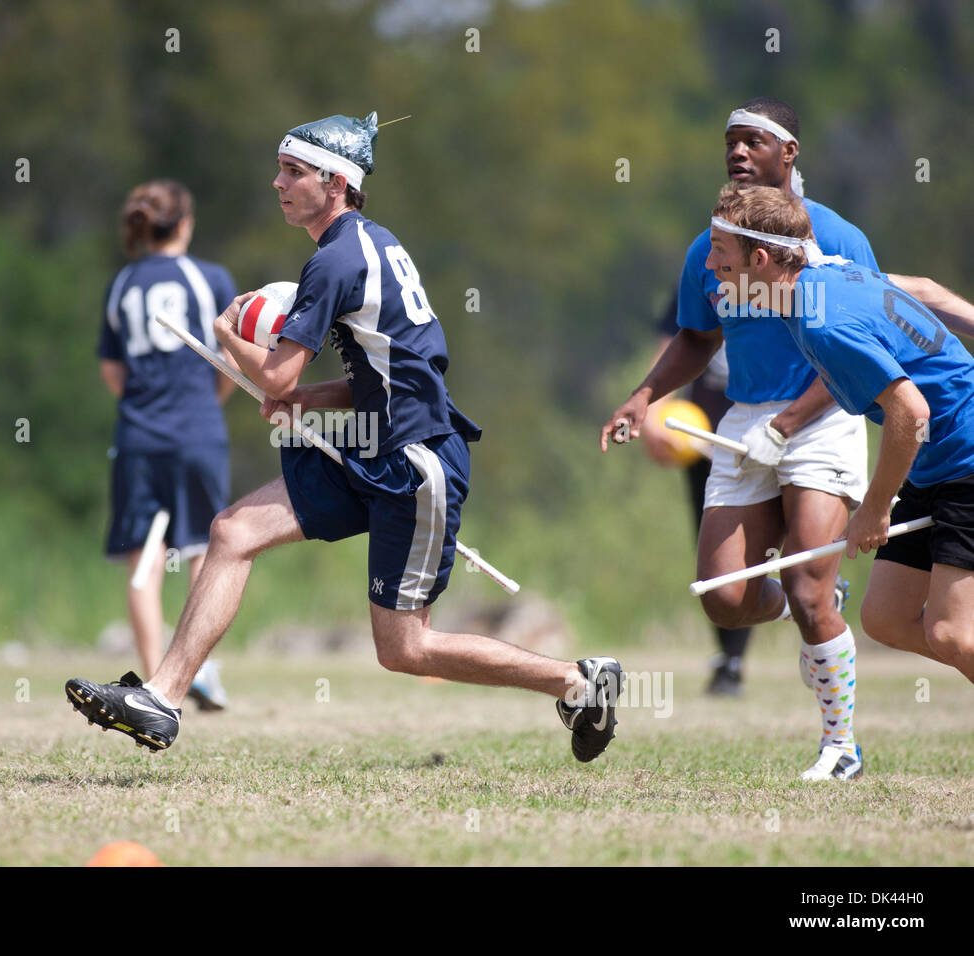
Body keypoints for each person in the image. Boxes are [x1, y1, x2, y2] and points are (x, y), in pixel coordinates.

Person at [66, 112, 624, 762]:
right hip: (372, 445)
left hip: (415, 463)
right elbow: (386, 373)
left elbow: (275, 370)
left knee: (405, 649)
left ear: (335, 183)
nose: (278, 182)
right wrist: (305, 399)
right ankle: (161, 699)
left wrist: (225, 338)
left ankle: (579, 682)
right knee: (231, 532)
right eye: (280, 169)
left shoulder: (335, 259)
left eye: (292, 172)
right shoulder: (368, 244)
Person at [600, 98, 875, 781]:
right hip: (746, 419)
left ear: (790, 154)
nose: (739, 152)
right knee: (724, 596)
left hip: (824, 410)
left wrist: (789, 423)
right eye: (731, 141)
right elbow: (697, 337)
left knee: (810, 589)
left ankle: (840, 746)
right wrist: (643, 396)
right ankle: (804, 600)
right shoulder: (710, 245)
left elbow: (866, 354)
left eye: (754, 141)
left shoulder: (838, 239)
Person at [705, 182, 974, 685]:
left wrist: (873, 507)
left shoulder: (821, 319)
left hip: (967, 461)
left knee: (951, 635)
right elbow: (924, 290)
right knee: (885, 619)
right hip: (935, 466)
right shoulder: (827, 274)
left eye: (718, 253)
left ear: (759, 259)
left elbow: (911, 412)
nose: (707, 265)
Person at [97, 179, 235, 709]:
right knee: (205, 548)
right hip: (199, 428)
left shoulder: (122, 283)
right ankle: (197, 668)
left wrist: (145, 404)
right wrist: (203, 403)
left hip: (137, 435)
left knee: (144, 557)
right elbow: (229, 359)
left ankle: (158, 682)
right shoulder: (212, 278)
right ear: (184, 224)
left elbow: (113, 370)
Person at [638, 298, 753, 695]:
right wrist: (652, 412)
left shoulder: (787, 271)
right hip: (702, 438)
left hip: (771, 430)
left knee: (773, 546)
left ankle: (814, 613)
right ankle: (730, 661)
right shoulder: (703, 270)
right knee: (719, 551)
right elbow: (675, 342)